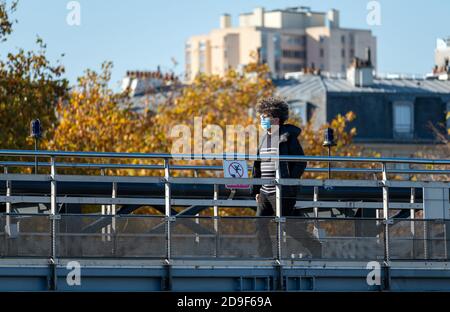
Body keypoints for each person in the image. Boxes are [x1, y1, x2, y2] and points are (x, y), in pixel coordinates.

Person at [252, 97, 322, 258]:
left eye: (265, 116)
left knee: (284, 225)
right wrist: (256, 189)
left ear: (276, 119)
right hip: (264, 191)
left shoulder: (288, 138)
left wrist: (288, 181)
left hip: (282, 190)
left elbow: (301, 162)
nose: (261, 119)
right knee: (259, 223)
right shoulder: (264, 139)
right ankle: (266, 256)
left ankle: (313, 245)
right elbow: (257, 166)